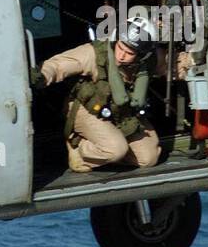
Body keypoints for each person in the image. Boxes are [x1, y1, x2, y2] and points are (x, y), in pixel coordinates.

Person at [31, 15, 193, 174]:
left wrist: (193, 61)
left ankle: (107, 151)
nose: (121, 55)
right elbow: (58, 65)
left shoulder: (149, 60)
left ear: (142, 54)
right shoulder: (95, 54)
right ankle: (79, 149)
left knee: (148, 158)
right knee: (115, 150)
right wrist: (41, 76)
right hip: (88, 109)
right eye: (120, 47)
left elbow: (173, 63)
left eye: (129, 52)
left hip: (121, 112)